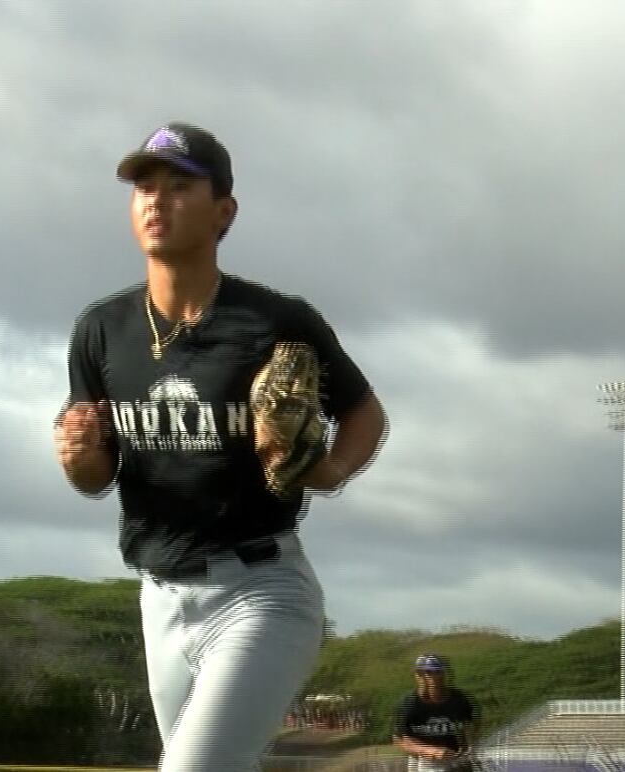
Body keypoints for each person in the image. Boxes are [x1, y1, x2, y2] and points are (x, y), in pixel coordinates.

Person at [53, 122, 388, 771]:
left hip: (259, 589)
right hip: (159, 597)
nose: (156, 200)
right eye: (144, 187)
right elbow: (97, 477)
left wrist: (332, 469)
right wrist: (77, 457)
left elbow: (362, 412)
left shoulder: (273, 320)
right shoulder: (100, 330)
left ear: (223, 211)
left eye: (180, 186)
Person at [393, 654, 480, 772]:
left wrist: (471, 747)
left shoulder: (460, 699)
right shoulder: (409, 704)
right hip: (426, 761)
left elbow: (472, 726)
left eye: (438, 672)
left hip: (458, 758)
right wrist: (428, 750)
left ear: (445, 674)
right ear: (418, 676)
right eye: (428, 672)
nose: (433, 677)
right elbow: (400, 739)